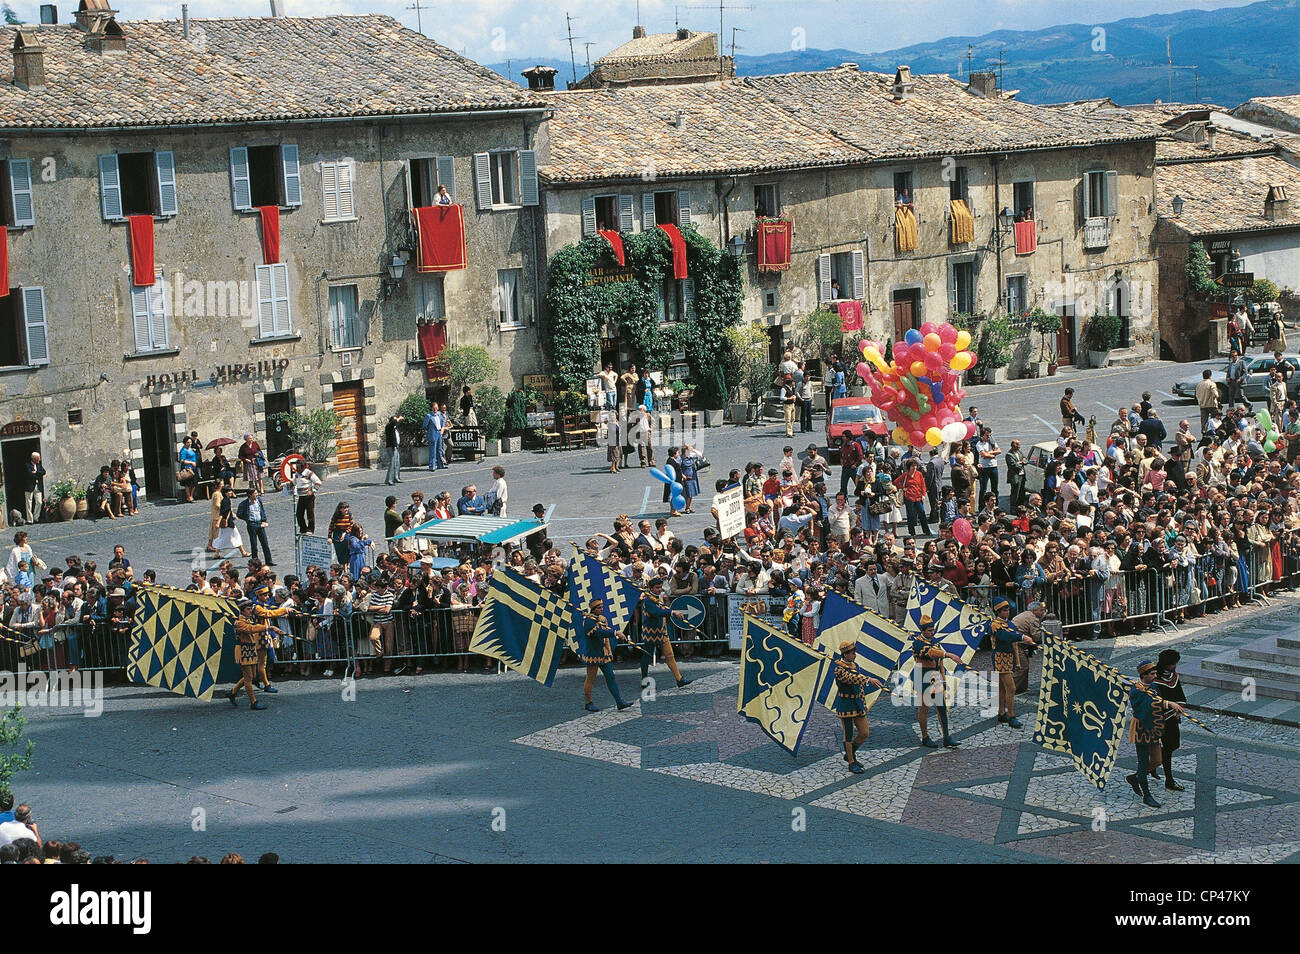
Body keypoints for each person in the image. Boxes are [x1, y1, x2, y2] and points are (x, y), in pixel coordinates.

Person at [1125, 660, 1185, 808]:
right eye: (1152, 673)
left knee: (1157, 761)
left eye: (1155, 673)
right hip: (1142, 729)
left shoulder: (1153, 686)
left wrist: (1172, 710)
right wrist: (1168, 703)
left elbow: (1158, 703)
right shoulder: (1136, 691)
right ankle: (1147, 795)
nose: (1155, 675)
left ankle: (1136, 777)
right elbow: (1147, 706)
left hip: (1154, 728)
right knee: (1143, 762)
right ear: (1143, 675)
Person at [833, 640, 888, 774]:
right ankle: (851, 762)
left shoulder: (855, 665)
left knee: (864, 733)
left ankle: (849, 753)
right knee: (848, 734)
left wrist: (863, 703)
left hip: (857, 704)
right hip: (846, 705)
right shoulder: (839, 669)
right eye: (851, 653)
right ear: (845, 655)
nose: (854, 655)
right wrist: (869, 679)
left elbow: (859, 688)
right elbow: (852, 678)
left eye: (854, 652)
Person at [912, 615, 963, 748]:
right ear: (922, 631)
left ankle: (947, 737)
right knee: (925, 708)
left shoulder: (934, 641)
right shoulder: (917, 643)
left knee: (942, 708)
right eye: (929, 630)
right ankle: (925, 737)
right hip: (922, 677)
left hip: (936, 677)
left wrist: (944, 679)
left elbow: (939, 662)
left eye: (932, 630)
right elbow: (930, 653)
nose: (931, 632)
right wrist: (948, 654)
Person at [637, 577, 693, 689]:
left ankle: (679, 679)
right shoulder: (648, 600)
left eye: (660, 587)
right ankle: (644, 679)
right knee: (647, 656)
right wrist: (672, 612)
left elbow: (663, 608)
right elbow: (656, 612)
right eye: (657, 587)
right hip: (650, 633)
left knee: (670, 655)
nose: (659, 589)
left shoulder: (659, 598)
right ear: (651, 588)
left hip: (662, 631)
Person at [579, 598, 633, 712]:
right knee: (590, 679)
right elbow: (599, 633)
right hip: (593, 654)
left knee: (611, 677)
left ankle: (619, 702)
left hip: (604, 654)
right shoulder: (588, 621)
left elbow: (605, 633)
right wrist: (615, 633)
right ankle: (588, 703)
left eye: (602, 607)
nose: (602, 609)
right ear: (593, 609)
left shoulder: (602, 619)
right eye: (599, 608)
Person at [991, 599, 1035, 727]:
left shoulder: (1009, 623)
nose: (1007, 612)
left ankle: (1001, 712)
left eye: (1008, 610)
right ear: (998, 612)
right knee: (1011, 687)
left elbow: (1013, 635)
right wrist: (1022, 637)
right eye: (1004, 610)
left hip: (1009, 656)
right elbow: (1006, 636)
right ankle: (1011, 715)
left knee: (1002, 687)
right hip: (1000, 658)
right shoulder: (995, 625)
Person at [1151, 649, 1187, 792]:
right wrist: (1169, 707)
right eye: (1173, 664)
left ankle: (1154, 765)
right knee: (1165, 749)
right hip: (1158, 720)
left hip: (1172, 718)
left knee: (1172, 745)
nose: (1175, 667)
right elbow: (1154, 701)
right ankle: (1169, 779)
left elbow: (1179, 695)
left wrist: (1179, 708)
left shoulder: (1173, 676)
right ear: (1167, 664)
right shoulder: (1154, 678)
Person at [227, 600, 270, 710]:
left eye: (251, 609)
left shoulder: (247, 620)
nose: (250, 611)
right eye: (248, 609)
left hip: (250, 649)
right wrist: (268, 628)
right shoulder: (239, 623)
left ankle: (233, 692)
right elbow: (251, 629)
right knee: (248, 678)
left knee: (251, 676)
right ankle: (253, 702)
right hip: (243, 650)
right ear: (242, 611)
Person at [236, 488, 274, 566]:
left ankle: (269, 561)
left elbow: (262, 510)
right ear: (250, 495)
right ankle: (255, 562)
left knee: (265, 543)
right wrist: (247, 518)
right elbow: (239, 514)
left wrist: (264, 520)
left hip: (260, 524)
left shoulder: (258, 500)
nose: (257, 495)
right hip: (252, 525)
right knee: (254, 544)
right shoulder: (244, 504)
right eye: (255, 493)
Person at [290, 459, 322, 534]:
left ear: (303, 467)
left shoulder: (309, 473)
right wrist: (288, 485)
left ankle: (310, 529)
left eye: (298, 467)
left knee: (310, 514)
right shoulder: (297, 474)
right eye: (296, 467)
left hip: (308, 497)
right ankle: (303, 528)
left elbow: (318, 482)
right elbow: (294, 482)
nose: (297, 469)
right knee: (299, 514)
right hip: (301, 496)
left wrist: (312, 491)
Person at [975, 427, 1000, 505]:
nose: (989, 437)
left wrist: (989, 453)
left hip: (993, 467)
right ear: (982, 436)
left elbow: (999, 451)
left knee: (995, 488)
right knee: (983, 489)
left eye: (989, 435)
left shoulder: (992, 442)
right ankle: (982, 506)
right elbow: (983, 455)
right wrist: (992, 454)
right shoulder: (979, 444)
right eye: (987, 436)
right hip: (984, 468)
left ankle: (995, 504)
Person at [422, 404, 447, 471]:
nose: (435, 409)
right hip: (433, 433)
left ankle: (440, 465)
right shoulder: (429, 416)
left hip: (439, 433)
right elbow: (424, 425)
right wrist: (430, 430)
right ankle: (432, 466)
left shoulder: (439, 414)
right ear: (431, 408)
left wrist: (442, 429)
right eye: (434, 408)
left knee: (439, 450)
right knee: (433, 450)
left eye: (436, 408)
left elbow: (443, 422)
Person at [1195, 368, 1219, 433]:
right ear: (1210, 376)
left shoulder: (1199, 384)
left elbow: (1197, 394)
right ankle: (1214, 432)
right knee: (1214, 420)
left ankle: (1204, 431)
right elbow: (1215, 394)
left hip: (1202, 405)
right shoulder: (1211, 383)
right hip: (1212, 404)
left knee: (1204, 421)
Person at [177, 437, 200, 503]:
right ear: (185, 443)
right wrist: (191, 463)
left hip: (193, 468)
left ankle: (191, 495)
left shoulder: (191, 449)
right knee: (187, 484)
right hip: (187, 469)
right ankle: (189, 497)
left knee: (194, 483)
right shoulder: (183, 450)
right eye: (188, 442)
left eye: (190, 442)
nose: (190, 443)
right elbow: (182, 460)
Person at [1005, 439, 1026, 511]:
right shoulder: (1009, 455)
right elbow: (1013, 465)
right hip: (1015, 477)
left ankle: (1021, 508)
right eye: (1018, 445)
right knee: (1015, 493)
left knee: (1022, 492)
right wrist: (1021, 463)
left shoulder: (1019, 452)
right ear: (1014, 446)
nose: (1019, 447)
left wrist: (1020, 462)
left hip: (1022, 475)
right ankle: (1013, 508)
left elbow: (1025, 460)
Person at [24, 452, 45, 524]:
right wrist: (38, 474)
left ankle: (36, 517)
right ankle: (30, 520)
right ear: (34, 459)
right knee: (29, 503)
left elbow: (44, 472)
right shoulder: (27, 465)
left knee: (39, 502)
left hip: (37, 486)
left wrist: (35, 472)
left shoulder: (39, 465)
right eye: (38, 459)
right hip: (29, 487)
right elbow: (29, 474)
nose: (39, 460)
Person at [384, 414, 404, 485]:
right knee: (392, 463)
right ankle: (389, 480)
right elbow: (394, 422)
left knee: (397, 463)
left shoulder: (394, 428)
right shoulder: (389, 426)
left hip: (396, 447)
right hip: (391, 447)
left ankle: (396, 477)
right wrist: (399, 418)